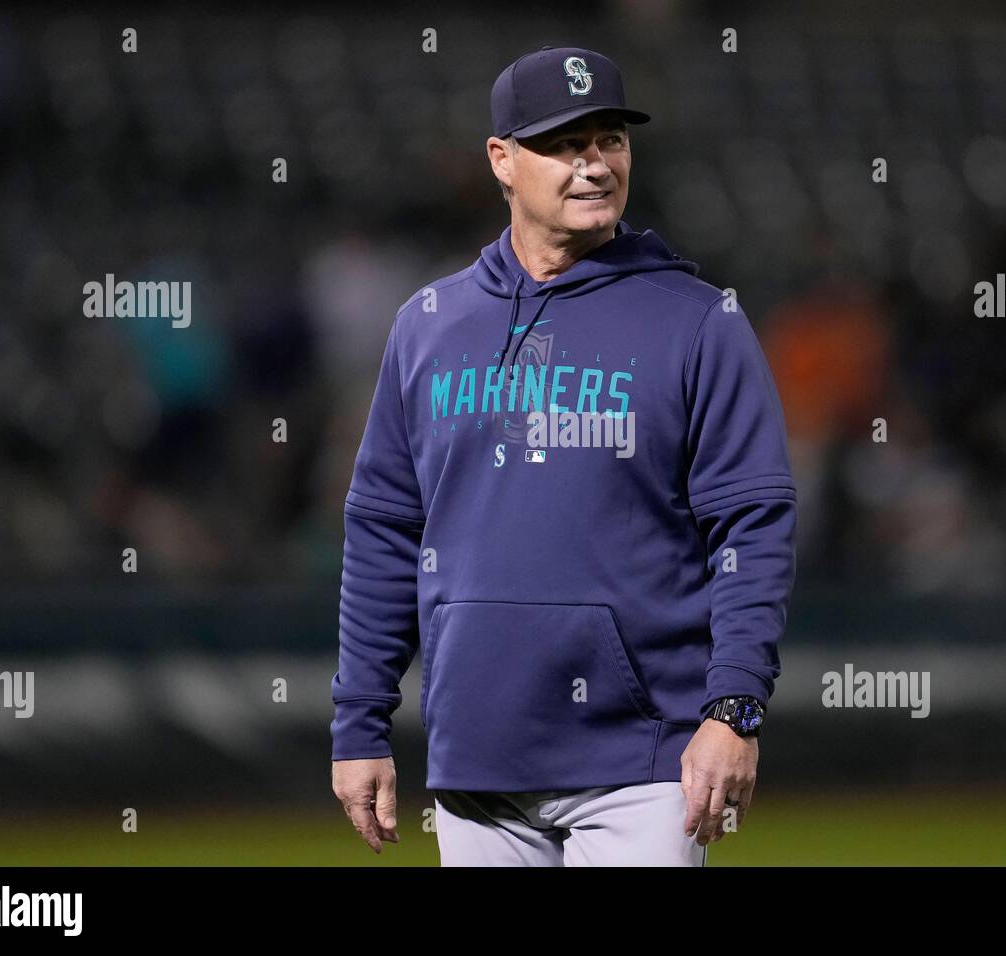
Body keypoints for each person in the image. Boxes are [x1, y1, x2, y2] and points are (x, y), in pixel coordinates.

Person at [330, 45, 797, 866]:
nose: (593, 164)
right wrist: (359, 721)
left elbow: (753, 527)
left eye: (610, 139)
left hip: (645, 762)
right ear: (502, 160)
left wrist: (734, 710)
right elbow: (383, 532)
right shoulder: (429, 325)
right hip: (478, 758)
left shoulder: (697, 322)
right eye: (563, 143)